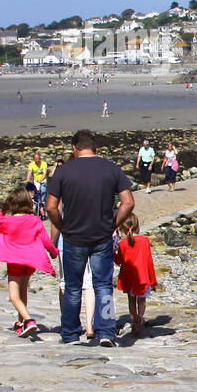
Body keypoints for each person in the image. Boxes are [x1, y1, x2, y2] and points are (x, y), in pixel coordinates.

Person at [46, 128, 134, 347]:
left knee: (73, 287)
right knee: (103, 285)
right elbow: (129, 202)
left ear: (74, 148)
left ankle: (71, 333)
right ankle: (106, 332)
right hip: (101, 236)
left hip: (74, 236)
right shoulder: (111, 168)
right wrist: (113, 224)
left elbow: (50, 207)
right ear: (95, 147)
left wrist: (62, 226)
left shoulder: (64, 171)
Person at [0, 186, 57, 338]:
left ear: (12, 204)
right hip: (30, 262)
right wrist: (53, 253)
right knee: (23, 291)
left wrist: (3, 210)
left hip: (15, 261)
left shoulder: (8, 220)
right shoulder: (35, 220)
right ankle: (20, 323)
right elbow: (45, 240)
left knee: (13, 296)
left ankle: (28, 321)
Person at [114, 212, 158, 338]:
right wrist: (153, 280)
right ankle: (140, 317)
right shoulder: (145, 241)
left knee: (131, 300)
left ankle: (134, 320)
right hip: (143, 276)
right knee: (142, 300)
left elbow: (118, 261)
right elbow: (149, 261)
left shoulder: (122, 243)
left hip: (128, 276)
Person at [27, 150, 50, 217]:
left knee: (43, 194)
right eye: (36, 159)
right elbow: (29, 172)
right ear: (34, 159)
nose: (37, 160)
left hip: (43, 181)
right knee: (36, 195)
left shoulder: (43, 163)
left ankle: (43, 209)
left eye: (38, 159)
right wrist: (28, 179)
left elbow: (44, 172)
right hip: (36, 181)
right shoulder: (31, 164)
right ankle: (37, 209)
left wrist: (41, 179)